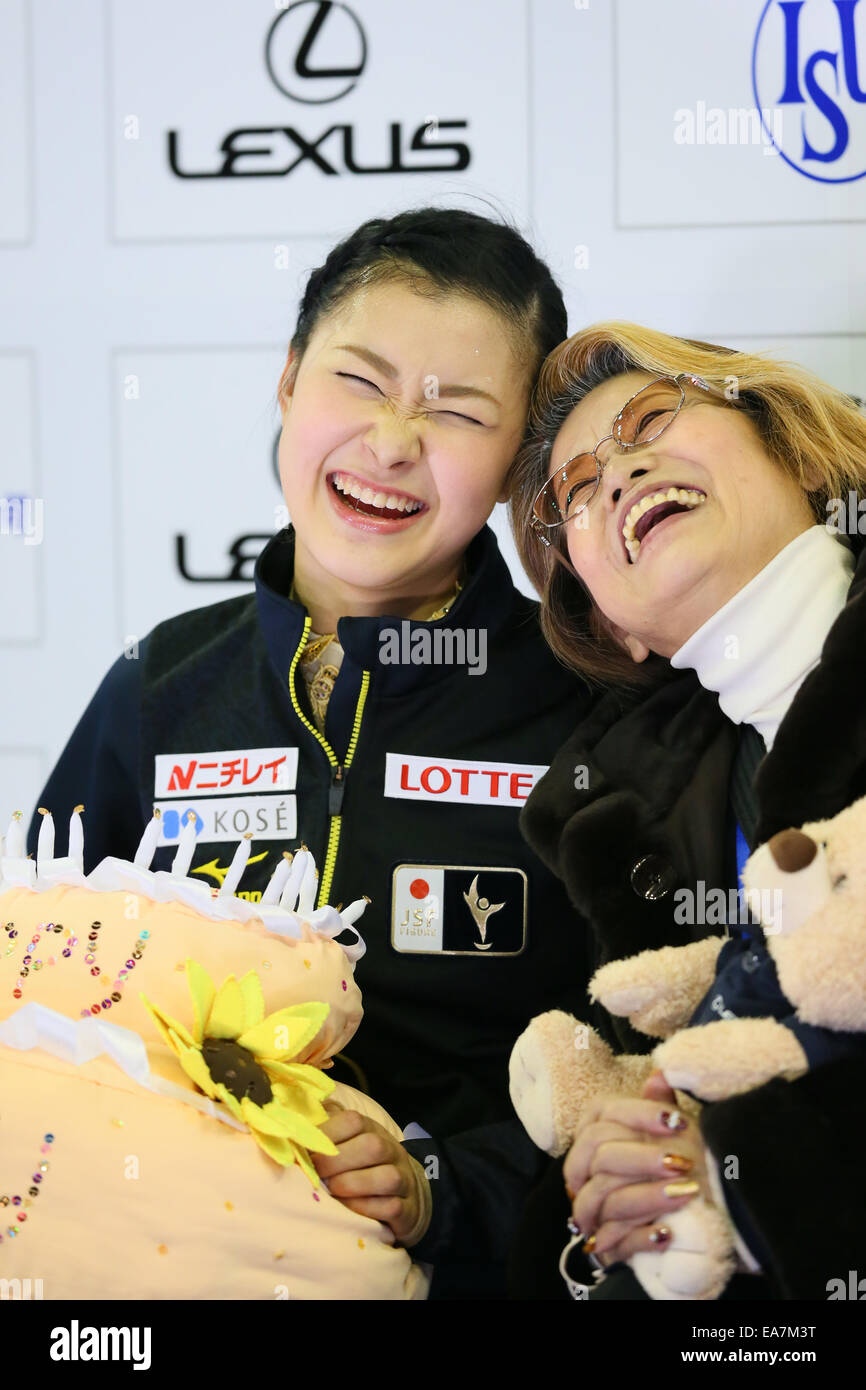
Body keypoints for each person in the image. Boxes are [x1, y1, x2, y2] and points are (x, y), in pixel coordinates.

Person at [27, 206, 599, 1298]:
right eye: (359, 380)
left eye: (456, 410)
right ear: (289, 380)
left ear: (517, 462)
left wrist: (443, 1188)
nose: (392, 441)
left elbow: (650, 1056)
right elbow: (40, 997)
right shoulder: (160, 687)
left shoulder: (584, 704)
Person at [507, 320, 866, 1299]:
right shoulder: (615, 829)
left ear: (794, 451)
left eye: (651, 420)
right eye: (578, 490)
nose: (619, 472)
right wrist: (606, 1206)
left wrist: (754, 1171)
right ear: (610, 623)